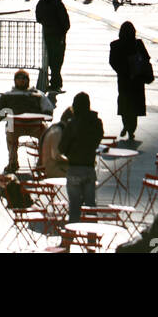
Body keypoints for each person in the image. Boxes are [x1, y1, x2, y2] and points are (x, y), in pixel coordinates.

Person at [0, 70, 53, 173]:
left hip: (35, 125)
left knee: (46, 131)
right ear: (15, 81)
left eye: (24, 79)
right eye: (19, 79)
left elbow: (48, 111)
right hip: (16, 126)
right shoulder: (8, 95)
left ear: (28, 81)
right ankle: (12, 162)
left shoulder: (38, 95)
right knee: (10, 128)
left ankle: (42, 162)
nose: (21, 81)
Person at [59, 91, 104, 221]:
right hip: (89, 167)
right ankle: (92, 238)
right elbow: (97, 139)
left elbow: (62, 148)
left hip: (74, 167)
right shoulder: (97, 122)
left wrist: (70, 152)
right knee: (90, 205)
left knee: (74, 206)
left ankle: (70, 237)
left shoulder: (72, 124)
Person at [108, 20, 153, 141]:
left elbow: (113, 62)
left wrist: (123, 72)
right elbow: (146, 59)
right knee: (135, 106)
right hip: (137, 80)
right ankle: (131, 129)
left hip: (124, 80)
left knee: (124, 104)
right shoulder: (138, 44)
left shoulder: (116, 45)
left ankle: (126, 125)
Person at [35, 0, 70, 94]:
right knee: (57, 60)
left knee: (50, 59)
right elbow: (65, 22)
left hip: (47, 34)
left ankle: (54, 82)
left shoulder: (42, 2)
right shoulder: (57, 3)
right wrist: (62, 31)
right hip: (58, 36)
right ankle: (56, 84)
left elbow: (38, 17)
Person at [39, 106, 72, 178]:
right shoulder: (57, 132)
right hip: (52, 169)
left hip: (48, 166)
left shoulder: (54, 127)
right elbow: (56, 156)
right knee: (82, 173)